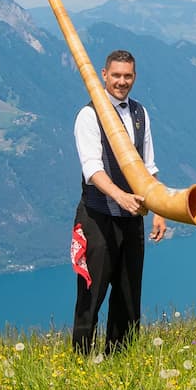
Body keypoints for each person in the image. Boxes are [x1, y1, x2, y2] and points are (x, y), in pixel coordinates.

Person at [70, 49, 166, 355]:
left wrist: (160, 210)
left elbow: (148, 165)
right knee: (91, 295)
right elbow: (92, 169)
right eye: (116, 76)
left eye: (127, 76)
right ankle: (81, 363)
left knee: (128, 295)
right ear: (104, 75)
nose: (121, 82)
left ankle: (120, 360)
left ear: (134, 77)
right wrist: (120, 196)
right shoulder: (88, 115)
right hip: (97, 217)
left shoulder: (140, 113)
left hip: (132, 217)